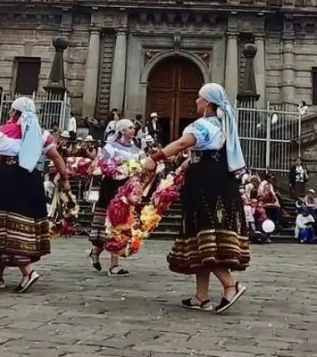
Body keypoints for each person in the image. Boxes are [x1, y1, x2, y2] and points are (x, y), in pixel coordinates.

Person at [144, 82, 249, 314]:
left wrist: (156, 157)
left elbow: (183, 143)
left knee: (204, 234)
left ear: (209, 103)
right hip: (219, 183)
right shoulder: (222, 126)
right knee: (204, 238)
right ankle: (201, 297)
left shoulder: (203, 125)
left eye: (200, 98)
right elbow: (202, 153)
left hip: (206, 187)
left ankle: (230, 285)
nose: (196, 101)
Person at [0, 97, 69, 293]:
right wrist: (65, 181)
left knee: (3, 225)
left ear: (13, 112)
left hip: (5, 179)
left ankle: (27, 271)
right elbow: (57, 158)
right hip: (31, 180)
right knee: (18, 225)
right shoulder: (42, 135)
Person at [89, 118, 140, 277]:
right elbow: (102, 162)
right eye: (130, 128)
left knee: (121, 223)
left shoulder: (135, 149)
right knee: (111, 222)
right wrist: (116, 169)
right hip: (112, 187)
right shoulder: (110, 146)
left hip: (127, 187)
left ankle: (101, 255)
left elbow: (142, 164)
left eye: (133, 128)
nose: (133, 130)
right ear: (122, 130)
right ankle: (112, 263)